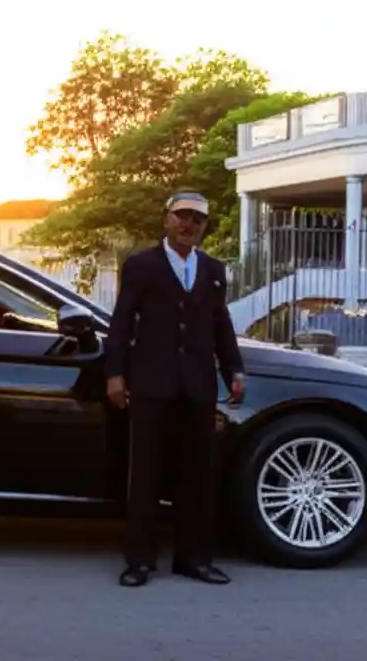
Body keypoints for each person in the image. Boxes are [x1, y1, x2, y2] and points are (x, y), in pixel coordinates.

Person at [104, 190, 245, 588]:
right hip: (151, 384)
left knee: (197, 477)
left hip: (197, 386)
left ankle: (194, 559)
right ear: (167, 220)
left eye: (197, 219)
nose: (189, 225)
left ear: (204, 227)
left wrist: (234, 369)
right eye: (182, 216)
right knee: (145, 476)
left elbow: (221, 325)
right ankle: (139, 561)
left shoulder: (213, 270)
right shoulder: (141, 265)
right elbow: (122, 323)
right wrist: (115, 374)